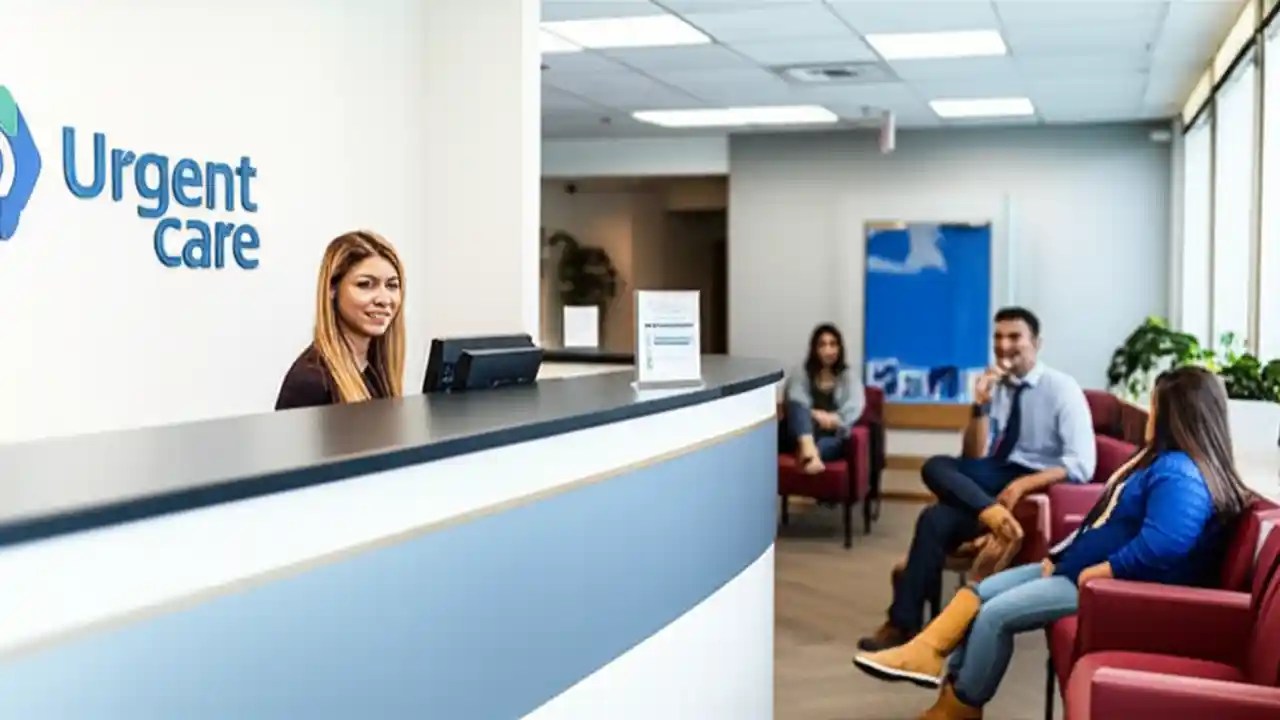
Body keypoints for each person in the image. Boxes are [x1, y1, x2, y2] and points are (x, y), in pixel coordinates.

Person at [852, 366, 1254, 720]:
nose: (1148, 415)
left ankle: (960, 706)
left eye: (1154, 406)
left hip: (1115, 587)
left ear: (1175, 415)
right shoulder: (1161, 462)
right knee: (981, 592)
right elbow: (1103, 522)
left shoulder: (1179, 473)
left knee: (995, 615)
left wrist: (1102, 571)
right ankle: (926, 655)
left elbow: (1166, 542)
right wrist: (1059, 557)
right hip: (1078, 570)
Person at [859, 307, 1095, 652]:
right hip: (996, 474)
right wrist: (979, 406)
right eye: (998, 337)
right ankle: (905, 625)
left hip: (1036, 480)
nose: (1004, 345)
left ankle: (912, 622)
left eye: (1014, 337)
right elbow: (973, 455)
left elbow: (1081, 464)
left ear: (1036, 343)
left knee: (934, 512)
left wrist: (1022, 485)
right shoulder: (998, 386)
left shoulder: (1062, 388)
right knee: (935, 475)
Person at [275, 230, 406, 410]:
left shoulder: (375, 371)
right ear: (332, 289)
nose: (384, 299)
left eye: (392, 285)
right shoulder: (312, 381)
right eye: (365, 284)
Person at [781, 323, 866, 474]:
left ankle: (809, 455)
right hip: (801, 431)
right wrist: (814, 415)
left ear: (839, 348)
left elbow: (855, 406)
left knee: (831, 445)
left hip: (831, 433)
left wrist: (835, 419)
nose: (828, 350)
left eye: (833, 344)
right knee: (797, 408)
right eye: (822, 345)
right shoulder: (801, 372)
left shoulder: (848, 376)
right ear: (814, 349)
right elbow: (795, 402)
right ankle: (809, 450)